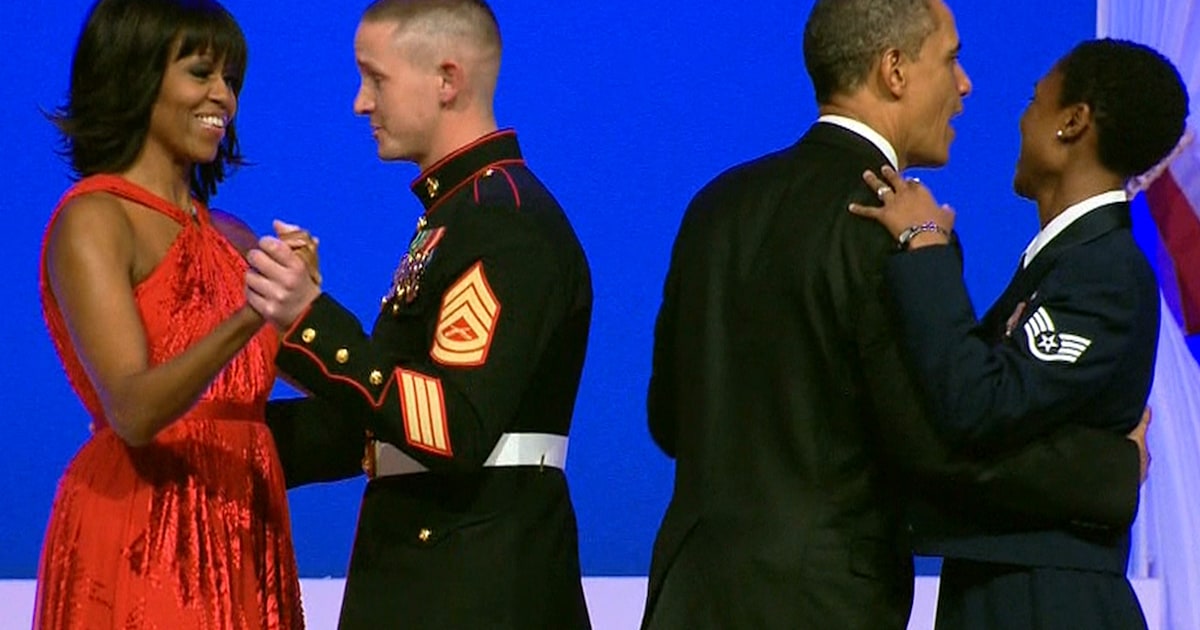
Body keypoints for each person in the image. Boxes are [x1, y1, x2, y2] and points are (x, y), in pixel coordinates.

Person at [642, 1, 1149, 628]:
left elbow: (669, 419)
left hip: (686, 594)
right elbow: (934, 447)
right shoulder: (899, 232)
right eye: (951, 58)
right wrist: (1109, 472)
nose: (964, 84)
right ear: (895, 72)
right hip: (824, 602)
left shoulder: (715, 206)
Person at [244, 0, 593, 627]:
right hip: (446, 571)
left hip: (473, 587)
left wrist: (311, 320)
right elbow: (380, 425)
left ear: (447, 80)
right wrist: (214, 444)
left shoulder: (500, 220)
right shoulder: (461, 214)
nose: (360, 102)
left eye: (375, 78)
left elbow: (450, 427)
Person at [849, 38, 1189, 629]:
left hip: (1048, 603)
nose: (1021, 115)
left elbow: (978, 405)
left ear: (1073, 122)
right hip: (1009, 589)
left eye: (1035, 100)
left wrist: (924, 247)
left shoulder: (1104, 272)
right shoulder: (1067, 264)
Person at [33, 0, 304, 628]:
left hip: (245, 525)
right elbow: (132, 410)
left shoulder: (234, 238)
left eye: (231, 79)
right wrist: (249, 314)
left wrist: (302, 300)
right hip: (142, 533)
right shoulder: (94, 220)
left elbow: (317, 377)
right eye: (201, 73)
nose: (224, 97)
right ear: (136, 77)